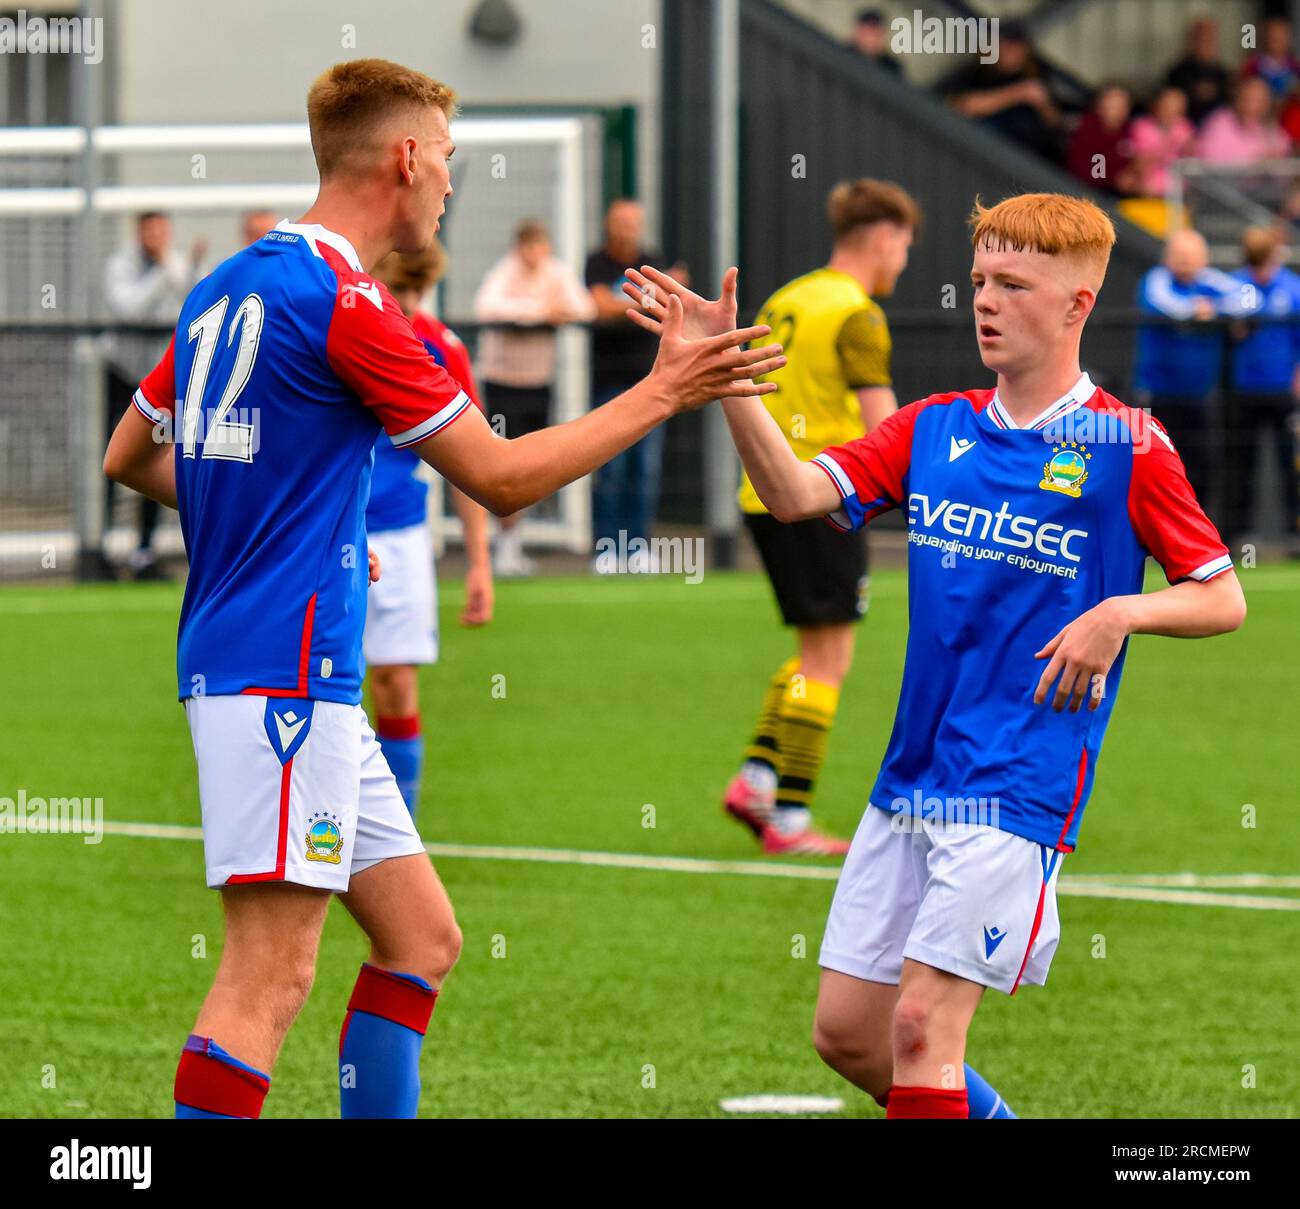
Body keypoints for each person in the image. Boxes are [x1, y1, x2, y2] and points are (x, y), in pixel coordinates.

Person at [103, 57, 784, 1120]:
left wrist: (296, 525)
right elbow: (502, 476)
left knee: (423, 939)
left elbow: (133, 457)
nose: (453, 187)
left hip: (288, 666)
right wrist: (665, 390)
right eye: (451, 162)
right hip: (278, 674)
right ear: (408, 157)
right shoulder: (351, 303)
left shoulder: (228, 280)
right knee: (269, 978)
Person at [627, 192, 1245, 1119]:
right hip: (913, 773)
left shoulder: (1126, 443)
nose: (985, 302)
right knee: (848, 1032)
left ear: (1078, 305)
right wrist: (729, 382)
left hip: (1020, 779)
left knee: (921, 1030)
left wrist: (1121, 610)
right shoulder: (935, 426)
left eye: (1014, 285)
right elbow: (796, 493)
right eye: (979, 282)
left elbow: (1221, 594)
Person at [717, 178, 920, 858]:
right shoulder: (857, 313)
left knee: (812, 652)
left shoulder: (788, 297)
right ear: (886, 238)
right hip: (823, 496)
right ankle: (792, 818)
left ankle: (756, 779)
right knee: (830, 658)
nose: (904, 260)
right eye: (906, 245)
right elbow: (884, 426)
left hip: (764, 493)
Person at [366, 243, 494, 818]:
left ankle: (400, 834)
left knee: (395, 682)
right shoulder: (341, 328)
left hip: (400, 536)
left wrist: (479, 562)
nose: (411, 304)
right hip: (322, 531)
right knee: (320, 689)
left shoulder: (443, 349)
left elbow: (474, 465)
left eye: (420, 292)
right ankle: (315, 831)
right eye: (402, 289)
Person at [473, 219, 596, 576]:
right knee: (502, 463)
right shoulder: (504, 272)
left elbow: (583, 308)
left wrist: (550, 310)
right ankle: (503, 549)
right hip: (502, 382)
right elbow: (486, 307)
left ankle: (512, 546)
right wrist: (539, 312)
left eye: (538, 247)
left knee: (529, 464)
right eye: (526, 247)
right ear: (518, 248)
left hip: (538, 382)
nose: (532, 255)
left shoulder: (556, 272)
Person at [585, 198, 688, 568]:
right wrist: (652, 297)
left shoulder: (651, 258)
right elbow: (599, 305)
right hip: (607, 383)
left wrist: (651, 299)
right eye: (620, 221)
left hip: (651, 382)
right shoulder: (595, 261)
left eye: (633, 222)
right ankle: (607, 548)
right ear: (608, 224)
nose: (627, 228)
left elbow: (670, 303)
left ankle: (638, 547)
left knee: (644, 470)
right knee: (610, 468)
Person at [103, 211, 206, 578]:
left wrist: (185, 267)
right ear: (139, 232)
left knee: (158, 454)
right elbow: (132, 308)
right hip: (120, 375)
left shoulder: (175, 263)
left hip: (158, 380)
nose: (157, 236)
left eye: (163, 229)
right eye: (150, 229)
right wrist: (168, 270)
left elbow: (193, 304)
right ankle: (102, 547)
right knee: (115, 459)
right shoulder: (120, 265)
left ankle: (144, 551)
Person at [1132, 229, 1240, 506]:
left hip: (1200, 396)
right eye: (1179, 255)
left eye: (1190, 256)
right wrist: (1198, 310)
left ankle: (1194, 528)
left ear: (1203, 259)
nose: (1184, 261)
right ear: (1167, 257)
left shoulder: (1211, 282)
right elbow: (1164, 304)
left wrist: (1212, 309)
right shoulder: (1155, 280)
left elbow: (1247, 300)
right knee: (1149, 463)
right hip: (1156, 395)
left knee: (1201, 466)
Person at [1224, 225, 1300, 546]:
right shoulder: (1237, 284)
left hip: (1283, 389)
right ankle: (1240, 535)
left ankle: (1294, 534)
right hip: (1244, 389)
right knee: (1243, 463)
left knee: (1289, 464)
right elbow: (1229, 331)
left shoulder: (1293, 287)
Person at [945, 20, 1062, 161]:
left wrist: (1043, 104)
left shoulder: (1037, 75)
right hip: (978, 151)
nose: (1013, 52)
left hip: (1025, 160)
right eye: (1008, 45)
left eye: (1018, 47)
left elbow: (1057, 124)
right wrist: (1019, 93)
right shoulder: (980, 70)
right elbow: (962, 105)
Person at [1197, 76, 1290, 164]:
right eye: (1248, 98)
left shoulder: (1272, 129)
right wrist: (1255, 160)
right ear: (1237, 98)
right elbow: (1211, 161)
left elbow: (1283, 159)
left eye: (1260, 100)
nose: (1252, 105)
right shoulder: (1219, 122)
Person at [1066, 84, 1138, 196]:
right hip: (1084, 192)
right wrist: (1114, 180)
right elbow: (1082, 170)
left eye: (1122, 106)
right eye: (1112, 106)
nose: (1117, 112)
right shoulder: (1086, 129)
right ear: (1099, 105)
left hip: (1120, 194)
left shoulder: (1128, 131)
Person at [1129, 86, 1196, 197]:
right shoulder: (1141, 127)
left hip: (1180, 189)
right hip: (1149, 189)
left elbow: (1193, 161)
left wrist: (1190, 149)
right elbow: (1137, 165)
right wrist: (1169, 146)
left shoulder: (1185, 127)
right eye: (1166, 107)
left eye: (1176, 109)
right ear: (1155, 105)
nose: (1170, 113)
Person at [1164, 17, 1231, 126]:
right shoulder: (1177, 72)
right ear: (1191, 40)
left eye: (1209, 39)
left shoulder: (1224, 75)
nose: (1204, 43)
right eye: (1200, 38)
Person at [1238, 15, 1300, 102]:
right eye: (1272, 34)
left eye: (1281, 34)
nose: (1276, 38)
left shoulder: (1296, 67)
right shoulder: (1252, 65)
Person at [850, 8, 902, 77]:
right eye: (866, 34)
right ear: (857, 31)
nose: (870, 39)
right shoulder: (843, 55)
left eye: (874, 35)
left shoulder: (892, 67)